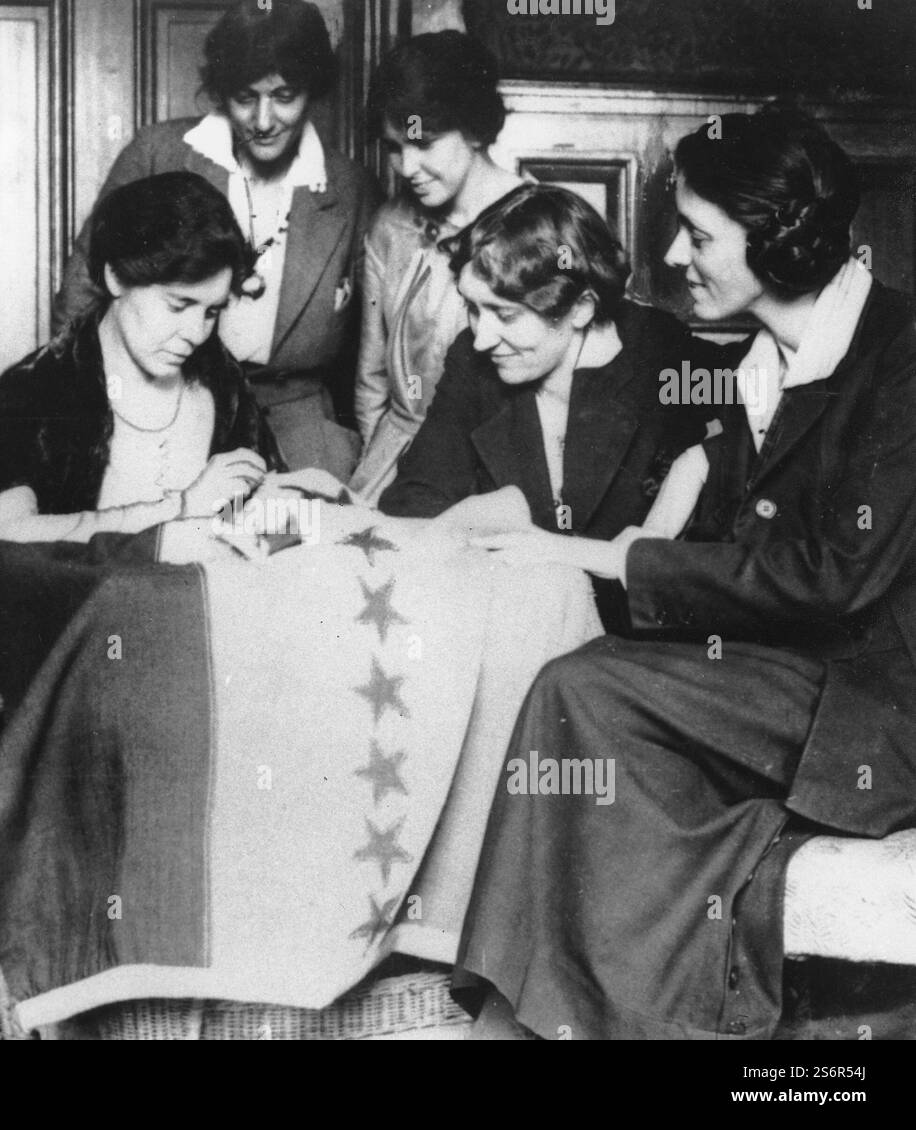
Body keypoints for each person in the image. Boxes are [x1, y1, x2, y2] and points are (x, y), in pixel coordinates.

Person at [457, 106, 916, 1039]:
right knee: (586, 702)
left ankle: (517, 1020)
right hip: (784, 679)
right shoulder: (750, 370)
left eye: (699, 234)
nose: (671, 255)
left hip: (875, 705)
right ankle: (583, 1014)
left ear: (780, 244)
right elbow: (716, 530)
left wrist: (611, 556)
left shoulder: (899, 357)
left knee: (583, 691)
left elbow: (835, 579)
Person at [51, 0, 377, 480]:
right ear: (223, 91)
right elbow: (85, 286)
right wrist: (86, 409)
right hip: (166, 404)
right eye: (246, 97)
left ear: (312, 91)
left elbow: (365, 348)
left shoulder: (350, 188)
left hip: (301, 424)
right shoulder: (158, 153)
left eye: (284, 95)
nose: (263, 120)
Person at [379, 183, 714, 632]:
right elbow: (415, 499)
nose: (481, 337)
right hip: (507, 624)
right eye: (474, 309)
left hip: (633, 646)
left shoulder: (667, 359)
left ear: (580, 308)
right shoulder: (473, 360)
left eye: (506, 314)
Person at [0, 172, 283, 545]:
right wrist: (179, 510)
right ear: (116, 277)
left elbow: (273, 514)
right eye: (178, 305)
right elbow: (0, 536)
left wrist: (247, 515)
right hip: (80, 602)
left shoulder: (223, 380)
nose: (196, 333)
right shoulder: (37, 386)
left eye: (212, 312)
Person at [348, 31, 527, 504]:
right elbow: (372, 379)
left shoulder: (540, 226)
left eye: (422, 143)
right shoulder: (390, 227)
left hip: (493, 474)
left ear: (472, 128)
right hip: (393, 464)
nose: (406, 167)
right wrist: (378, 462)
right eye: (392, 147)